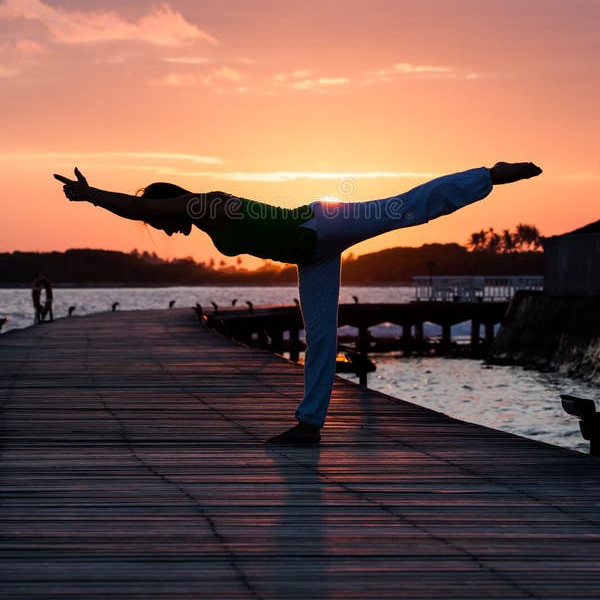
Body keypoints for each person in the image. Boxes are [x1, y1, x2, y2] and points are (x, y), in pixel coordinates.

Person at [54, 161, 542, 444]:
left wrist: (91, 194)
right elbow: (146, 211)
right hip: (312, 255)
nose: (164, 229)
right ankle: (310, 425)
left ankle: (490, 175)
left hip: (319, 226)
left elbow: (139, 206)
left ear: (170, 202)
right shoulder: (203, 217)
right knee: (322, 335)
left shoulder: (202, 203)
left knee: (404, 209)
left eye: (161, 219)